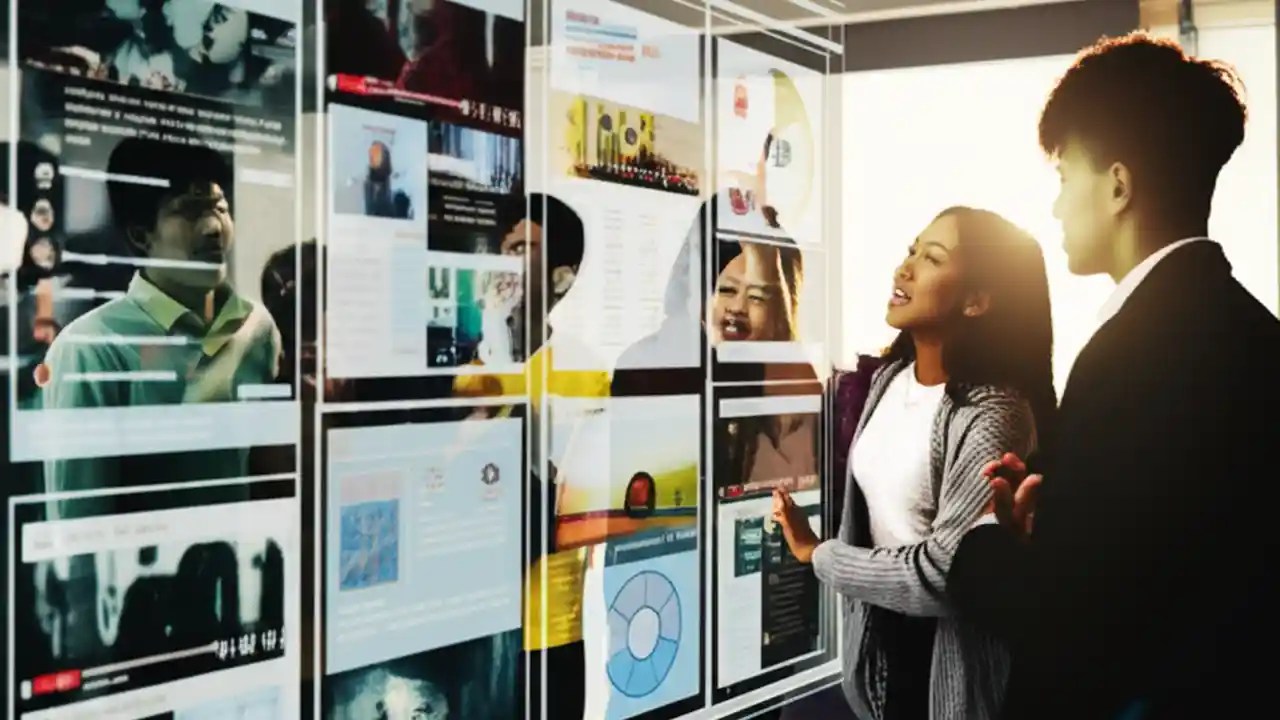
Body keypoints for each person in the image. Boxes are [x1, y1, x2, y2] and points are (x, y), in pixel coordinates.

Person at [946, 33, 1280, 720]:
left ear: (1119, 185)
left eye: (1067, 178)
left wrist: (980, 549)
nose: (1058, 206)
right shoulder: (1256, 331)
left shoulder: (1131, 355)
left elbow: (1081, 617)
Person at [772, 206, 1057, 720]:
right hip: (877, 644)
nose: (905, 269)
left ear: (977, 300)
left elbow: (948, 573)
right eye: (911, 251)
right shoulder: (888, 381)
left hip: (944, 657)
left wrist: (819, 555)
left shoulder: (994, 412)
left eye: (932, 258)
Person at [39, 137, 282, 509]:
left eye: (220, 207)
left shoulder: (257, 328)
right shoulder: (90, 350)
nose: (214, 228)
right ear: (141, 235)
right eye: (189, 212)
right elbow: (79, 525)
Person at [455, 194, 606, 720]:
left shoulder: (583, 369)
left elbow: (563, 495)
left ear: (562, 278)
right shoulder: (463, 370)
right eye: (505, 247)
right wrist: (495, 346)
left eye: (525, 248)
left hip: (549, 618)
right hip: (467, 612)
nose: (507, 262)